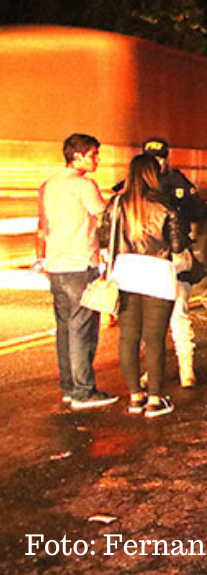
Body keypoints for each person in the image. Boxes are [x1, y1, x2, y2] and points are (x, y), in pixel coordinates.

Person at [35, 134, 120, 409]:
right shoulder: (84, 185)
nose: (97, 159)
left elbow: (43, 225)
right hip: (81, 265)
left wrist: (42, 259)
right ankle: (84, 391)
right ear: (78, 156)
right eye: (94, 154)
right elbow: (106, 217)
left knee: (65, 330)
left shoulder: (48, 185)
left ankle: (69, 387)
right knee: (83, 330)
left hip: (57, 267)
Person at [100, 153, 186, 417]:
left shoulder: (116, 204)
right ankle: (154, 400)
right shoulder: (166, 204)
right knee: (154, 340)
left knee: (128, 338)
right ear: (153, 174)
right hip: (157, 273)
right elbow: (177, 245)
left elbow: (104, 237)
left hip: (125, 272)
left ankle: (135, 397)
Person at [140, 138, 206, 386]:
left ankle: (186, 369)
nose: (157, 163)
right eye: (153, 158)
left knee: (178, 315)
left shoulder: (176, 182)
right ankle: (154, 370)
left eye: (160, 157)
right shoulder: (141, 188)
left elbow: (199, 211)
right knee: (153, 321)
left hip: (173, 257)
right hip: (154, 259)